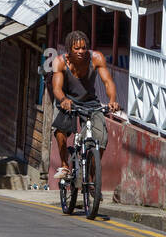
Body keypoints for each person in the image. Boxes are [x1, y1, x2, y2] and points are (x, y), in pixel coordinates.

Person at [50, 30, 120, 181]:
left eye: (83, 48)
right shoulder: (60, 62)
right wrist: (63, 100)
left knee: (101, 139)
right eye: (76, 48)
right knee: (59, 129)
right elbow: (56, 87)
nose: (81, 51)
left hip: (90, 102)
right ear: (69, 48)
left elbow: (108, 82)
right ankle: (64, 165)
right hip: (67, 101)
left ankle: (92, 175)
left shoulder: (96, 58)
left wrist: (112, 99)